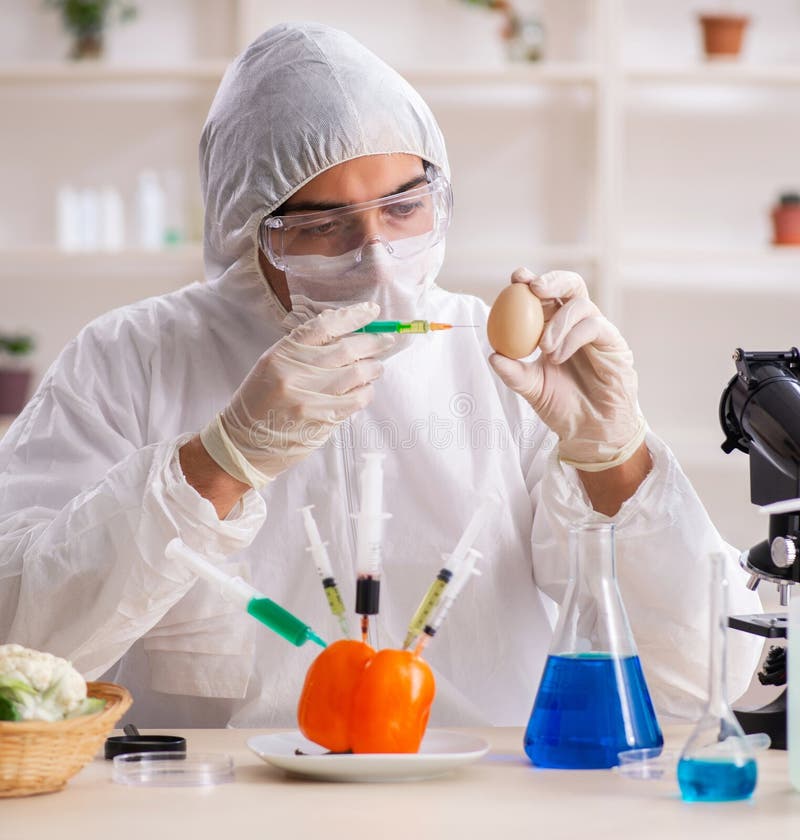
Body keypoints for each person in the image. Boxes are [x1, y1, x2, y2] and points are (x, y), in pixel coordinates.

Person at [0, 23, 761, 728]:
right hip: (219, 795)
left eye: (403, 209)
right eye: (323, 225)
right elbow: (19, 643)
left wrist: (614, 460)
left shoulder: (512, 369)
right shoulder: (130, 360)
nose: (374, 255)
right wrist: (216, 465)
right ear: (248, 229)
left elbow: (706, 675)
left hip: (480, 791)